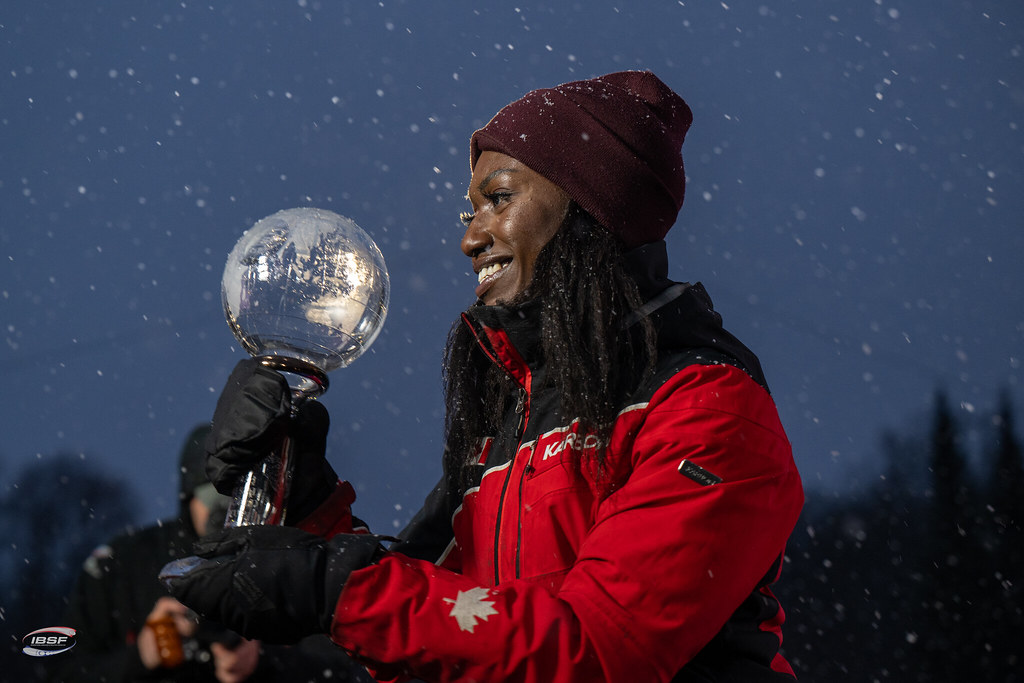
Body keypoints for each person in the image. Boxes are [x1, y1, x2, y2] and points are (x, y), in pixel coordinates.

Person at [165, 70, 805, 682]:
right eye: (468, 210)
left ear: (592, 210)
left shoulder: (708, 407)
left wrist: (333, 586)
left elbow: (601, 651)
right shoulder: (511, 418)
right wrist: (306, 508)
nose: (471, 239)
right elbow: (439, 628)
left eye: (498, 199)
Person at [56, 425, 369, 683]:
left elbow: (348, 670)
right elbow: (60, 669)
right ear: (187, 496)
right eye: (213, 494)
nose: (228, 510)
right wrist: (141, 655)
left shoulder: (293, 560)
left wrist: (263, 659)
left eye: (240, 495)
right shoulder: (123, 563)